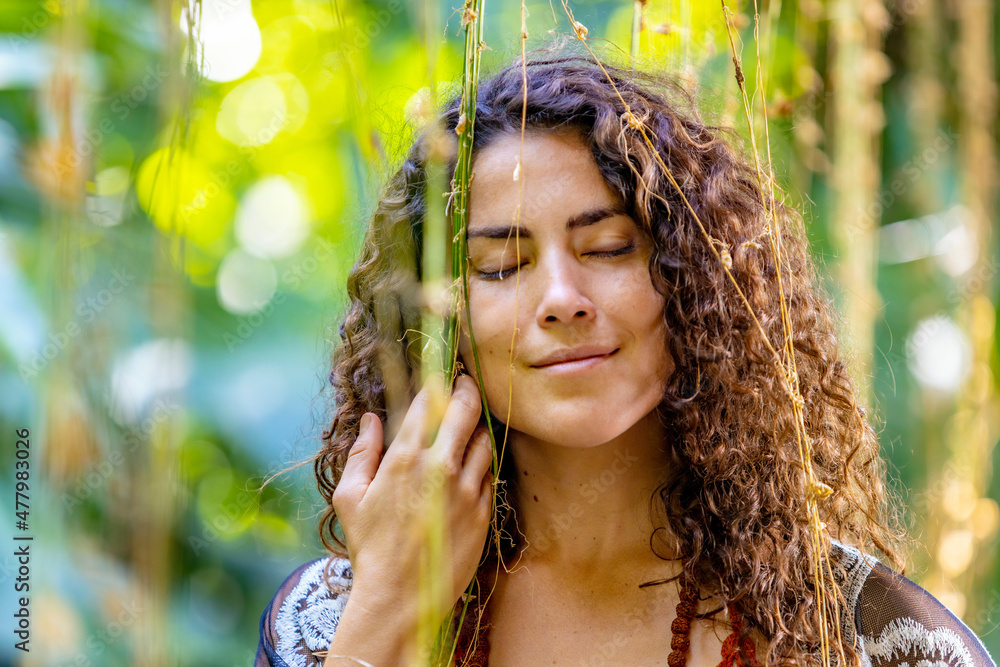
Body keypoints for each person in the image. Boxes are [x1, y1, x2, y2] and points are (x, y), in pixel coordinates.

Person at [255, 52, 997, 667]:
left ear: (697, 280)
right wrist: (389, 605)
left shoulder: (863, 637)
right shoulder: (323, 622)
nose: (561, 297)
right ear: (436, 320)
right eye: (502, 264)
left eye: (609, 247)